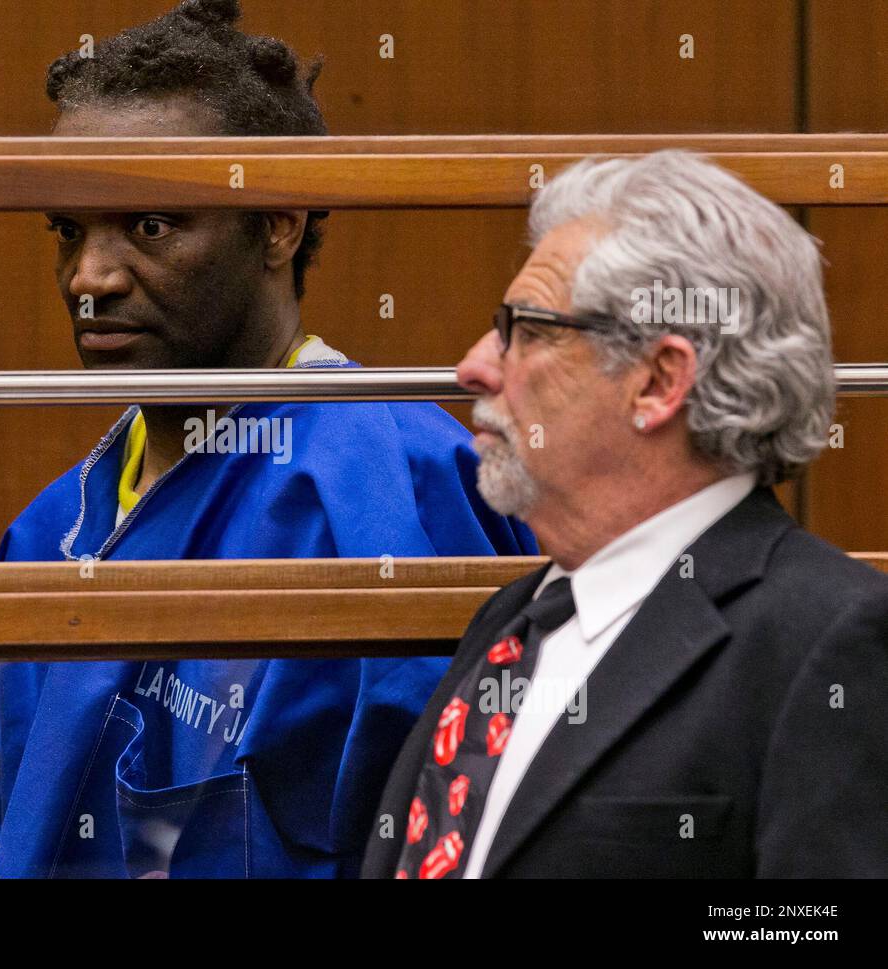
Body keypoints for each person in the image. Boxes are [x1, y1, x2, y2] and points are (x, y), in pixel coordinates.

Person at [0, 0, 536, 878]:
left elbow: (469, 827)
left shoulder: (394, 483)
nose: (90, 276)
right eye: (68, 231)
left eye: (149, 226)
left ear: (278, 224)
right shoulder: (51, 530)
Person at [364, 149, 888, 879]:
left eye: (530, 330)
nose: (475, 365)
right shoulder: (516, 619)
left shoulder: (833, 637)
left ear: (657, 381)